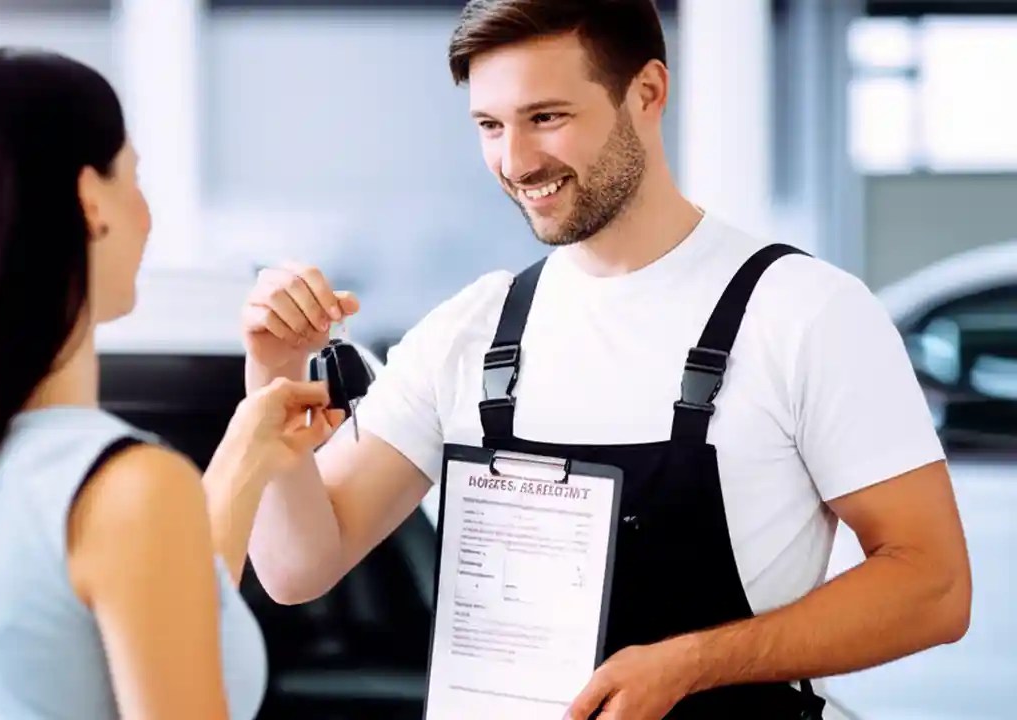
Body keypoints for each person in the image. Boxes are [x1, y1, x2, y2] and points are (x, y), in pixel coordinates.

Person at [240, 1, 973, 718]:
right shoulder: (469, 331)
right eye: (491, 126)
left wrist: (693, 663)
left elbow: (932, 585)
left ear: (647, 92)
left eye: (547, 117)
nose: (516, 161)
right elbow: (298, 568)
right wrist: (273, 377)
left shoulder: (805, 313)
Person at [0, 48, 344, 720]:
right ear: (89, 200)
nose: (147, 215)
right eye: (132, 178)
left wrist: (245, 460)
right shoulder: (128, 490)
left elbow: (137, 629)